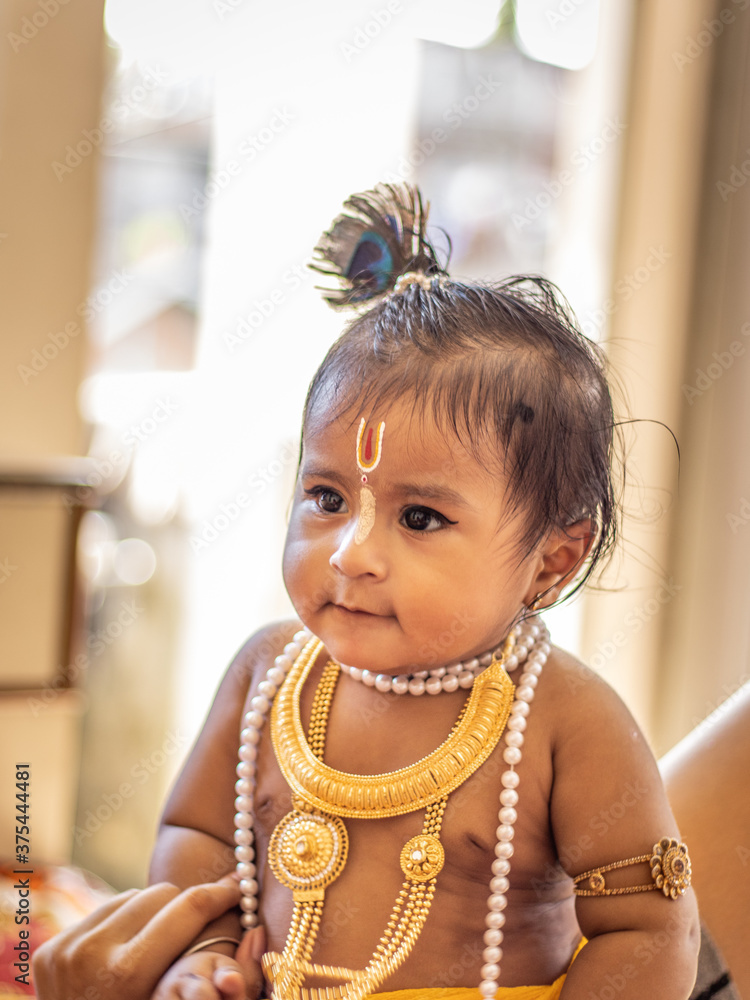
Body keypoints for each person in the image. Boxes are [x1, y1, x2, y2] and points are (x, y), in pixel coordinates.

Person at [146, 183, 701, 999]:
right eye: (327, 499)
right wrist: (204, 955)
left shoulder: (562, 721)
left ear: (551, 561)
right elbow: (195, 835)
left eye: (419, 517)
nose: (351, 554)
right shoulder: (265, 679)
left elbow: (650, 929)